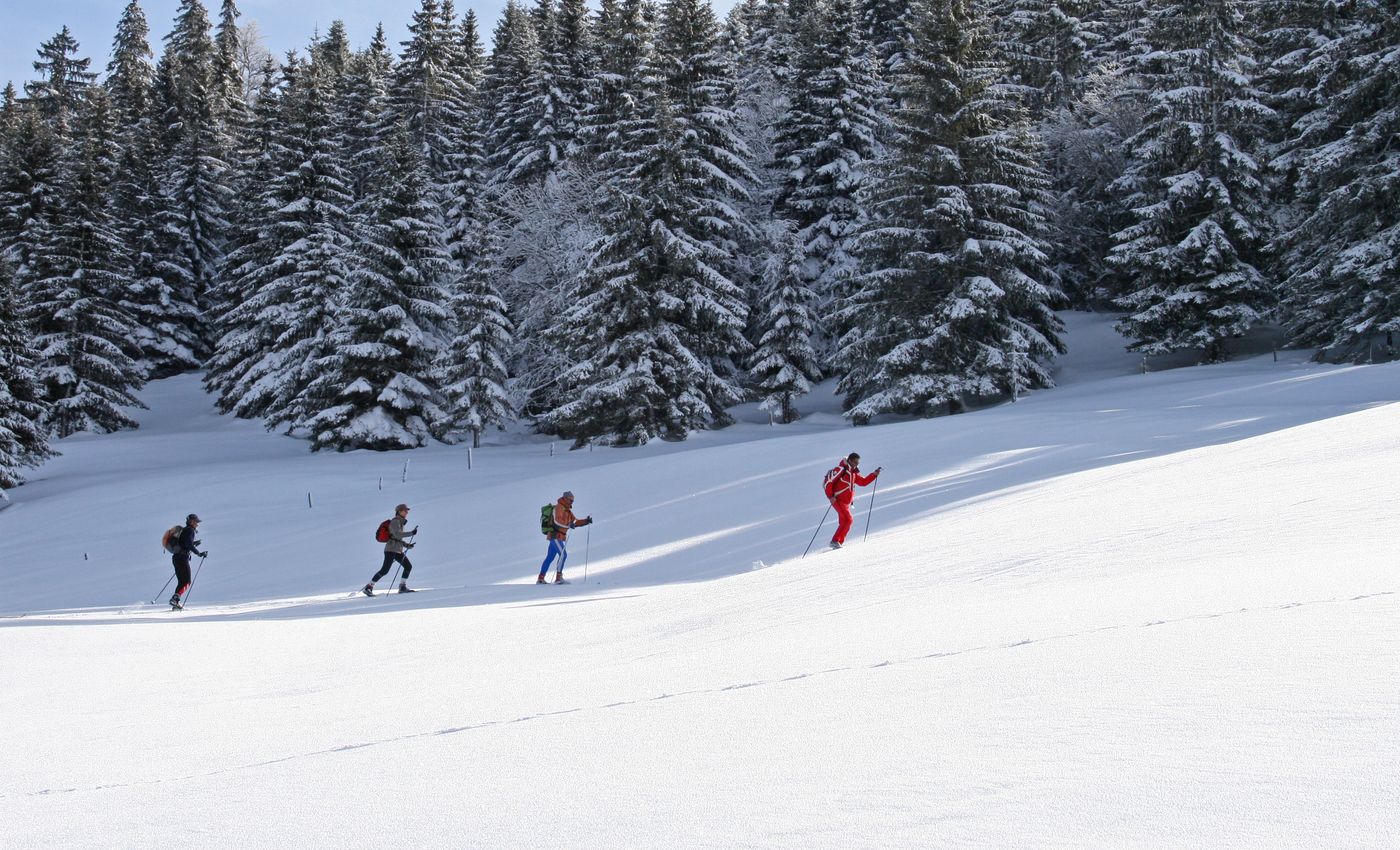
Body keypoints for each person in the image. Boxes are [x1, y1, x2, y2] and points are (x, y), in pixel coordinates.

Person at [823, 453, 881, 549]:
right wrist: (830, 496)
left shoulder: (853, 473)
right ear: (849, 460)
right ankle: (835, 541)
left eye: (857, 463)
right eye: (855, 462)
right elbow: (829, 483)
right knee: (848, 520)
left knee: (844, 522)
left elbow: (863, 482)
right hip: (837, 500)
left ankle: (838, 543)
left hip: (846, 503)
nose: (856, 464)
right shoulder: (841, 469)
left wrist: (874, 475)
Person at [363, 504, 419, 596]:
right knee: (385, 570)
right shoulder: (395, 521)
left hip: (397, 550)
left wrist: (407, 545)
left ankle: (402, 587)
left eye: (407, 511)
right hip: (391, 549)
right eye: (405, 510)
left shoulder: (400, 522)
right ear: (399, 511)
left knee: (408, 566)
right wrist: (411, 533)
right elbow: (397, 535)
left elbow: (397, 538)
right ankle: (369, 587)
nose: (407, 512)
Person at [538, 490, 592, 584]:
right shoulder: (559, 507)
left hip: (559, 536)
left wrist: (586, 521)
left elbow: (575, 522)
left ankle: (541, 578)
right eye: (571, 500)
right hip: (555, 535)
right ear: (565, 498)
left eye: (573, 501)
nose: (572, 502)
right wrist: (568, 525)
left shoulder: (568, 511)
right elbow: (557, 521)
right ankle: (558, 578)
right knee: (563, 554)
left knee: (550, 557)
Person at [170, 514, 209, 610]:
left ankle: (176, 604)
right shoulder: (190, 531)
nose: (197, 524)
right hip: (182, 558)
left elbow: (185, 543)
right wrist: (198, 553)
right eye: (196, 522)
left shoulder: (184, 530)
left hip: (176, 557)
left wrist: (194, 544)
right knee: (187, 581)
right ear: (191, 522)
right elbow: (188, 544)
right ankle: (175, 600)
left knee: (181, 581)